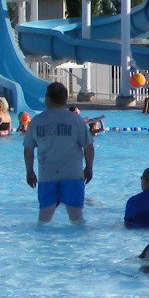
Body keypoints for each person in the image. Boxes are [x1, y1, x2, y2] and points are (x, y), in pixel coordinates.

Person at [24, 80, 94, 223]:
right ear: (65, 99)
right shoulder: (76, 120)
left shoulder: (36, 121)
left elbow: (28, 149)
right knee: (77, 219)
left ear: (47, 98)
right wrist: (89, 167)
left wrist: (29, 171)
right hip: (73, 174)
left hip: (47, 174)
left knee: (43, 220)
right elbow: (88, 147)